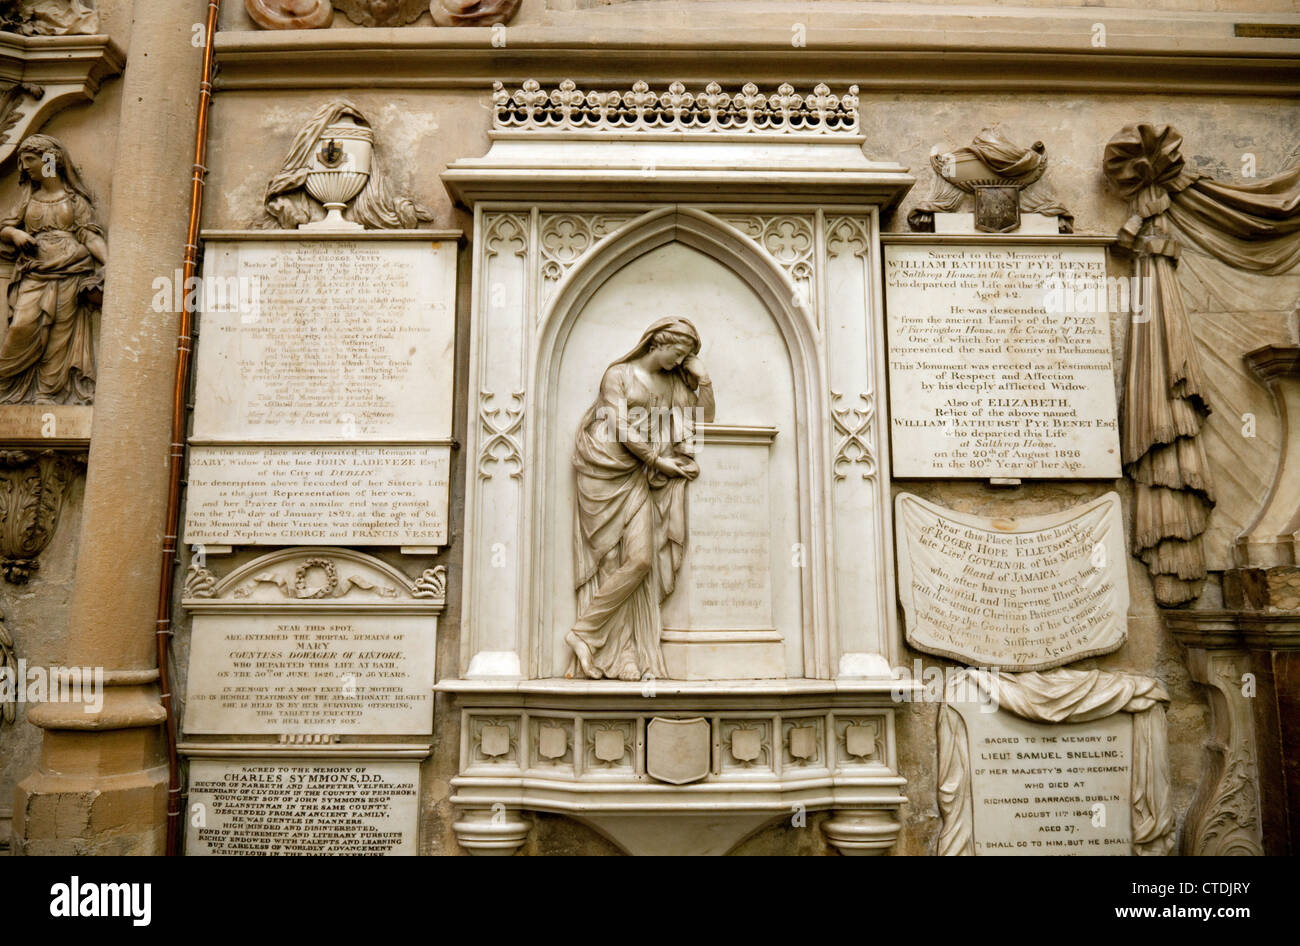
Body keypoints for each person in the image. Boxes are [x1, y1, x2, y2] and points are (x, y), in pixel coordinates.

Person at [566, 317, 715, 681]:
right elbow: (618, 425)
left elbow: (704, 418)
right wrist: (658, 460)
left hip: (636, 475)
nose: (680, 363)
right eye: (678, 354)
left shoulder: (671, 383)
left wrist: (704, 379)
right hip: (603, 468)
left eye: (685, 358)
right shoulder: (618, 374)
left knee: (641, 561)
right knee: (609, 560)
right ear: (657, 343)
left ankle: (583, 631)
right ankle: (619, 654)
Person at [0, 135, 105, 405]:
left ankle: (48, 393)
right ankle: (6, 386)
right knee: (22, 326)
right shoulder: (28, 200)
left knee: (60, 334)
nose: (24, 167)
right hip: (35, 271)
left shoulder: (75, 201)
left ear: (50, 160)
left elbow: (89, 236)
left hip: (71, 270)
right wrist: (14, 234)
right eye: (23, 161)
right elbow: (5, 226)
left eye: (30, 160)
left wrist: (110, 263)